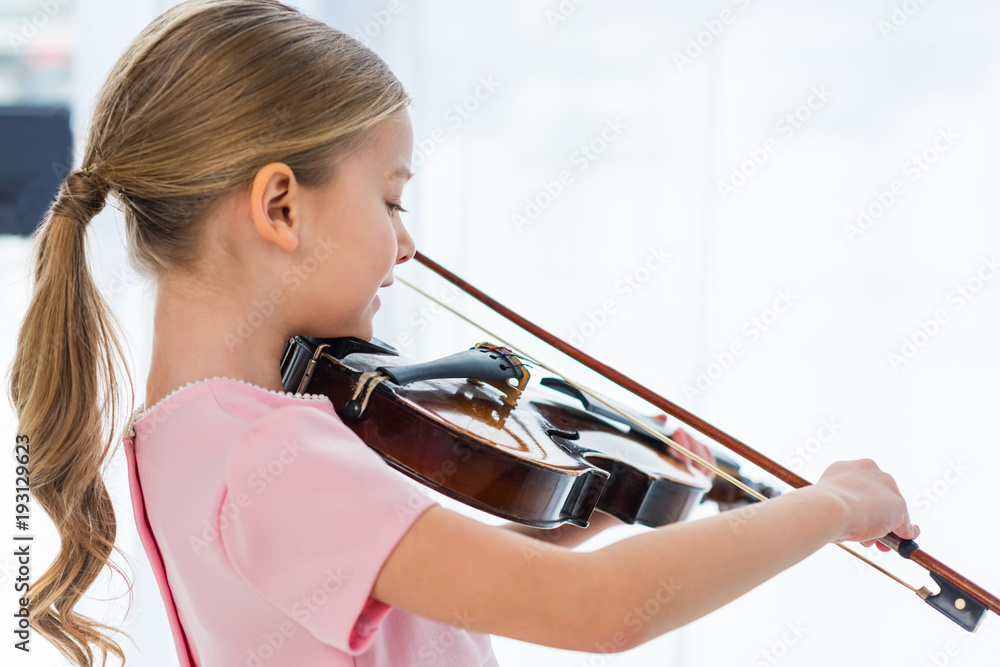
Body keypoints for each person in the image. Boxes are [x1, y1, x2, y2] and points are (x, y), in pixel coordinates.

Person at [6, 1, 919, 665]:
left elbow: (426, 587)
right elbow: (601, 612)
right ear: (280, 204)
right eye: (391, 198)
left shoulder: (185, 438)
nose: (405, 243)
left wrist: (598, 501)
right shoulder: (270, 451)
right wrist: (832, 505)